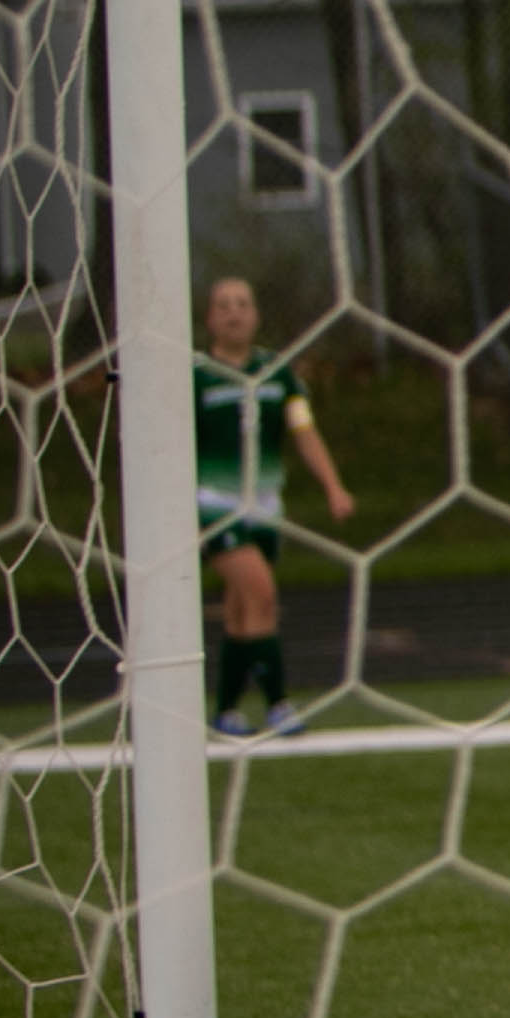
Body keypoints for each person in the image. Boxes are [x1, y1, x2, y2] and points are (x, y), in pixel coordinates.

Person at [192, 276, 353, 736]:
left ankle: (225, 712)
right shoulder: (197, 376)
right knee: (262, 593)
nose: (234, 313)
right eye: (223, 305)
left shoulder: (278, 374)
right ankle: (280, 705)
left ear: (256, 315)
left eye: (242, 303)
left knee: (245, 612)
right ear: (209, 318)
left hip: (264, 506)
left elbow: (304, 431)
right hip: (214, 505)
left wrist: (333, 486)